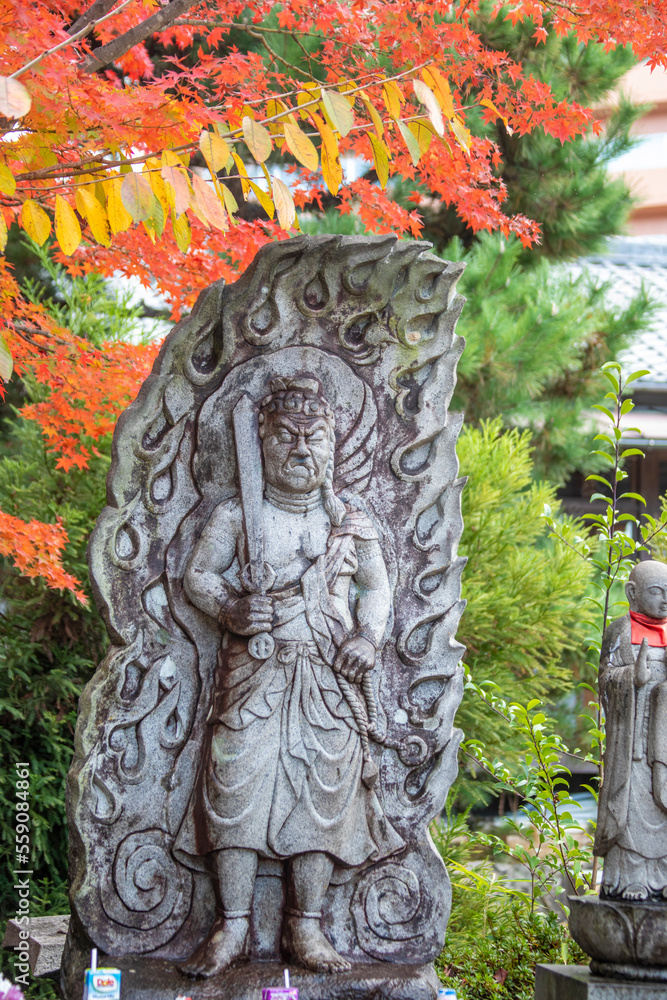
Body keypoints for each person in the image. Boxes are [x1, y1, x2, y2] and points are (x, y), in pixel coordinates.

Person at [174, 376, 403, 978]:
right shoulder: (238, 514)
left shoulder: (351, 525)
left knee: (325, 789)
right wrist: (231, 608)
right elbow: (199, 574)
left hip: (327, 673)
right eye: (285, 438)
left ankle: (307, 924)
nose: (301, 450)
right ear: (263, 445)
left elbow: (377, 589)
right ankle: (233, 923)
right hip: (254, 671)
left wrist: (366, 638)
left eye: (314, 438)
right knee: (236, 782)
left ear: (335, 447)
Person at [595, 559, 667, 901]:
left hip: (663, 738)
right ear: (633, 593)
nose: (665, 600)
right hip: (632, 740)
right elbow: (605, 680)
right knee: (633, 806)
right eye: (657, 591)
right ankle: (630, 878)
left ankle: (663, 876)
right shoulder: (620, 630)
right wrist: (631, 679)